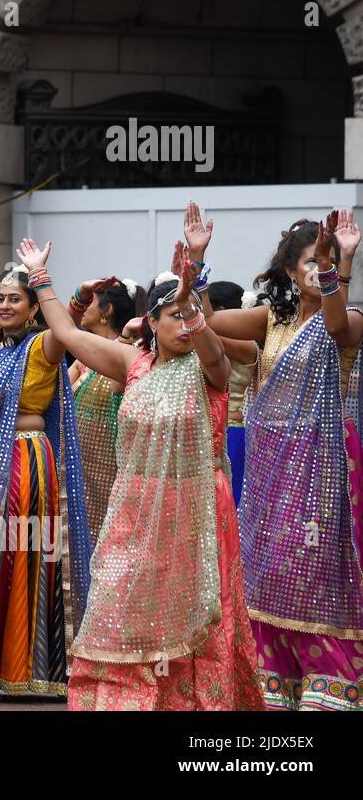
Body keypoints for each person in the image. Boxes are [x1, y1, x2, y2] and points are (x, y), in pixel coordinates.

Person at [32, 239, 262, 709]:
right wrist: (41, 278)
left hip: (195, 505)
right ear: (151, 323)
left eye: (189, 315)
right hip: (135, 509)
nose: (183, 323)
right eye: (172, 315)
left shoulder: (208, 368)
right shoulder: (132, 363)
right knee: (118, 601)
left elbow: (217, 353)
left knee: (197, 613)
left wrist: (189, 295)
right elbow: (67, 334)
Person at [203, 206, 363, 710]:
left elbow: (335, 325)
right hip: (272, 474)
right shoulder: (271, 321)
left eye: (329, 263)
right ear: (291, 271)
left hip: (324, 471)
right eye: (312, 264)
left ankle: (331, 677)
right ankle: (276, 674)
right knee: (269, 569)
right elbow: (206, 319)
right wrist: (199, 261)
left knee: (319, 567)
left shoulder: (351, 319)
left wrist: (342, 261)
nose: (320, 270)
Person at [0, 249, 93, 703]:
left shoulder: (43, 348)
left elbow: (63, 327)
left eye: (15, 300)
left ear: (31, 308)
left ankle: (24, 668)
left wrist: (46, 280)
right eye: (0, 298)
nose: (6, 306)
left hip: (27, 465)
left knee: (19, 553)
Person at [66, 278, 138, 540]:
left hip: (111, 464)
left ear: (107, 311)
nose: (84, 308)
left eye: (91, 302)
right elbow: (60, 333)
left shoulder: (129, 353)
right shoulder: (85, 357)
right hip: (78, 462)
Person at [206, 280, 259, 507]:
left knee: (229, 501)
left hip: (230, 432)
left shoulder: (248, 346)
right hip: (207, 430)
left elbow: (203, 333)